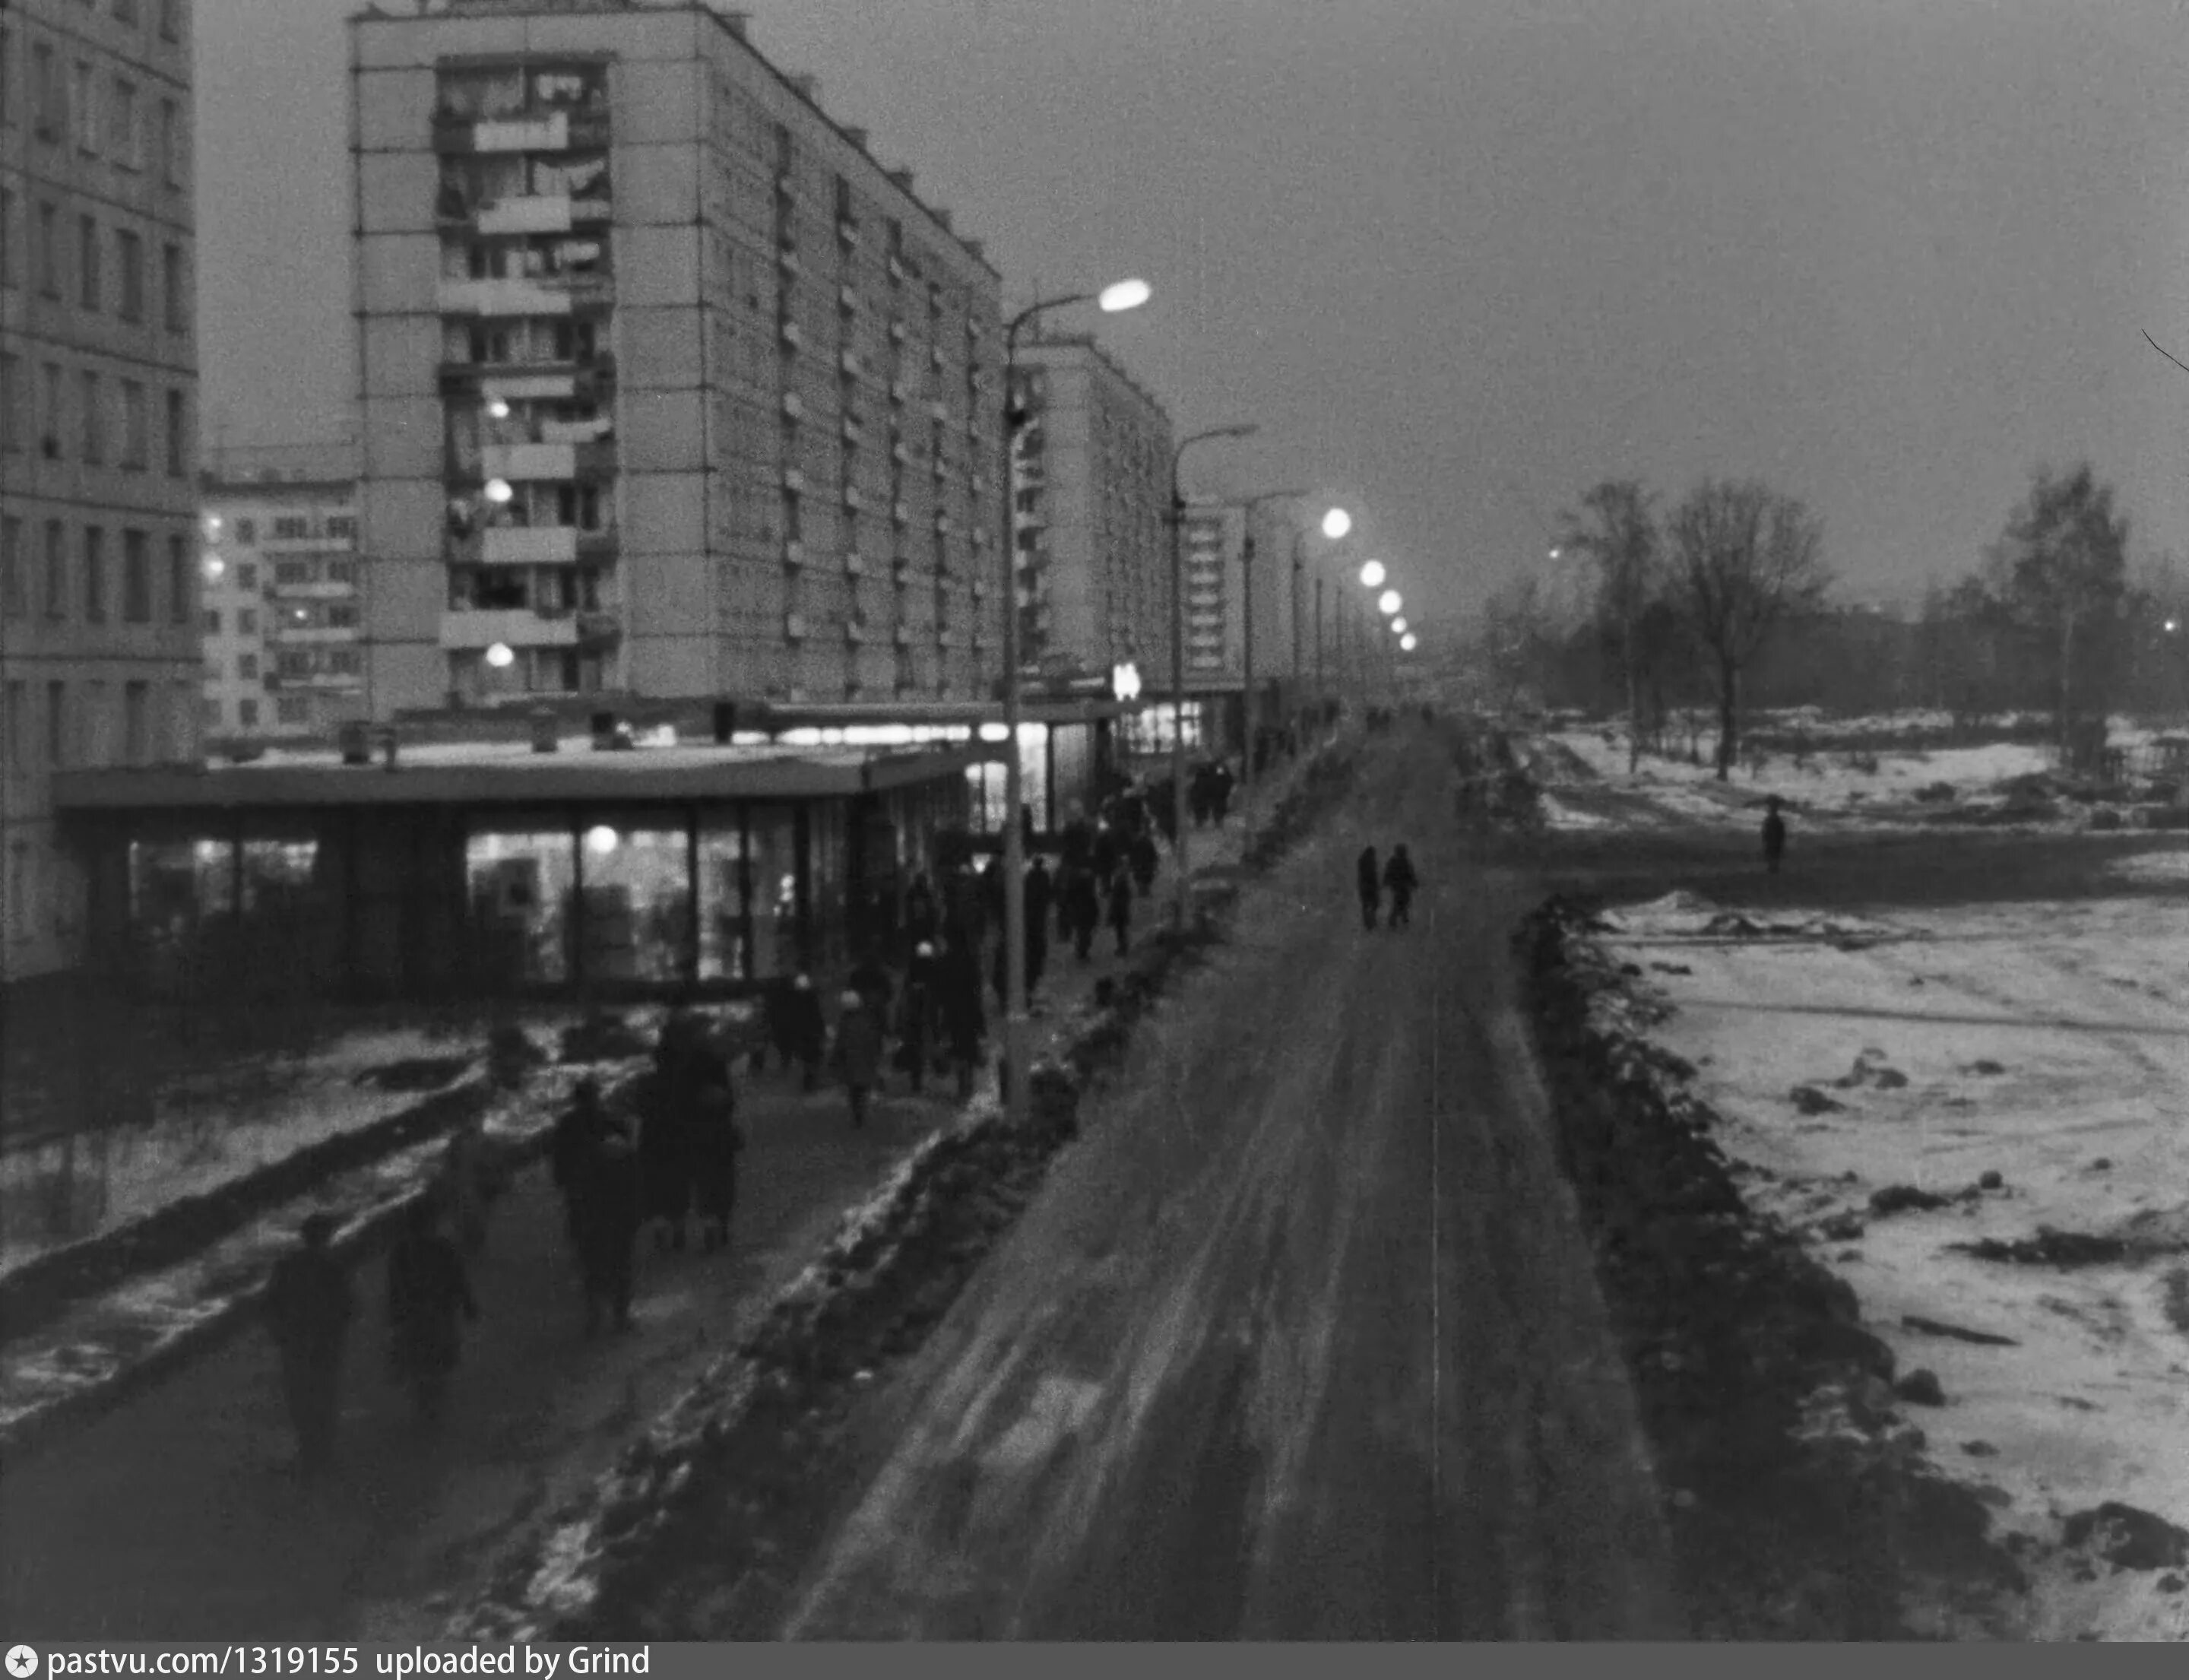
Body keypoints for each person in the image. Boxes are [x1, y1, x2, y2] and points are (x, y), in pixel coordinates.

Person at [264, 1210, 353, 1479]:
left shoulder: (286, 1266)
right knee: (324, 1397)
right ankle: (322, 1454)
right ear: (327, 1237)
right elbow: (349, 1307)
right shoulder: (334, 1267)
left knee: (300, 1398)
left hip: (295, 1344)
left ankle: (308, 1451)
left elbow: (270, 1305)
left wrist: (278, 1334)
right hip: (326, 1345)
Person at [385, 1197, 478, 1425]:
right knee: (437, 1362)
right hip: (439, 1314)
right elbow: (458, 1278)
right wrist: (468, 1304)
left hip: (413, 1315)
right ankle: (433, 1406)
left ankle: (424, 1405)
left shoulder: (401, 1251)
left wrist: (394, 1315)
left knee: (419, 1362)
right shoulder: (443, 1247)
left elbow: (394, 1287)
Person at [566, 1098, 642, 1334]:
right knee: (620, 1270)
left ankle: (595, 1317)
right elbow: (634, 1197)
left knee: (594, 1272)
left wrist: (576, 1228)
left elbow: (579, 1200)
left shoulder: (588, 1166)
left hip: (593, 1227)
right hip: (618, 1226)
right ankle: (620, 1317)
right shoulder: (627, 1164)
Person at [550, 1075, 614, 1241]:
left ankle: (584, 1241)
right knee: (588, 1208)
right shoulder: (604, 1118)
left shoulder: (568, 1121)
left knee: (580, 1209)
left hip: (582, 1173)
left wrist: (559, 1174)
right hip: (593, 1172)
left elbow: (558, 1150)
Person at [937, 936, 987, 1102]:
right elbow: (976, 987)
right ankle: (968, 1085)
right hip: (969, 1010)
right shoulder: (970, 961)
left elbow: (941, 987)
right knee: (969, 1049)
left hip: (953, 1011)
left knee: (959, 1050)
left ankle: (963, 1086)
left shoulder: (946, 961)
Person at [436, 1114, 494, 1257]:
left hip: (462, 1186)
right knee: (470, 1214)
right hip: (468, 1186)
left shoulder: (459, 1144)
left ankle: (469, 1242)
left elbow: (449, 1165)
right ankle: (472, 1242)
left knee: (465, 1215)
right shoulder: (475, 1142)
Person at [833, 988, 885, 1129]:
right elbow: (873, 1040)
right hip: (864, 1060)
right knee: (862, 1088)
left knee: (854, 1091)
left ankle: (858, 1115)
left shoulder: (846, 1023)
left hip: (851, 1061)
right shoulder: (866, 1021)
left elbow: (841, 1042)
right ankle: (860, 1113)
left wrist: (837, 1058)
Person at [897, 942, 939, 1095]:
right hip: (927, 1014)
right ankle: (928, 1072)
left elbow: (905, 995)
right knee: (926, 1042)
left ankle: (917, 1080)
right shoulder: (933, 971)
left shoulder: (913, 975)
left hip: (915, 1016)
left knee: (915, 1046)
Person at [1065, 865, 1102, 964]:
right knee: (1085, 935)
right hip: (1086, 915)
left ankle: (1081, 952)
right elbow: (1093, 904)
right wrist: (1096, 915)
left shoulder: (1075, 891)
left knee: (1082, 934)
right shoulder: (1088, 893)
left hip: (1079, 915)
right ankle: (1082, 953)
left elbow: (1070, 901)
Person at [1383, 844, 1419, 929]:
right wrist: (1414, 883)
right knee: (1401, 903)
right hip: (1402, 887)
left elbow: (1388, 873)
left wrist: (1386, 882)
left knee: (1401, 903)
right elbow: (1410, 874)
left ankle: (1399, 920)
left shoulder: (1395, 861)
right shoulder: (1405, 862)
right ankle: (1398, 921)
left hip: (1398, 886)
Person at [1107, 867, 1134, 957]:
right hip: (1122, 913)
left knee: (1120, 932)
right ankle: (1123, 947)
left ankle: (1123, 948)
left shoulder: (1117, 888)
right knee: (1122, 932)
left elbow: (1114, 903)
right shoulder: (1125, 888)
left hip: (1119, 913)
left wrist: (1110, 916)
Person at [1356, 845, 1382, 931]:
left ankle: (1368, 923)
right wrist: (1377, 886)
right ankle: (1372, 922)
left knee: (1366, 905)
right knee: (1374, 904)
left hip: (1363, 887)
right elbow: (1373, 876)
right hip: (1371, 887)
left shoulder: (1361, 862)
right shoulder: (1371, 863)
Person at [1762, 795, 1788, 875]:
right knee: (1774, 854)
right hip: (1775, 840)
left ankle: (1772, 868)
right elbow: (1782, 833)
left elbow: (1765, 832)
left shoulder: (1770, 820)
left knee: (1772, 853)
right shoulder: (1777, 821)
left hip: (1773, 840)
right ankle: (1774, 868)